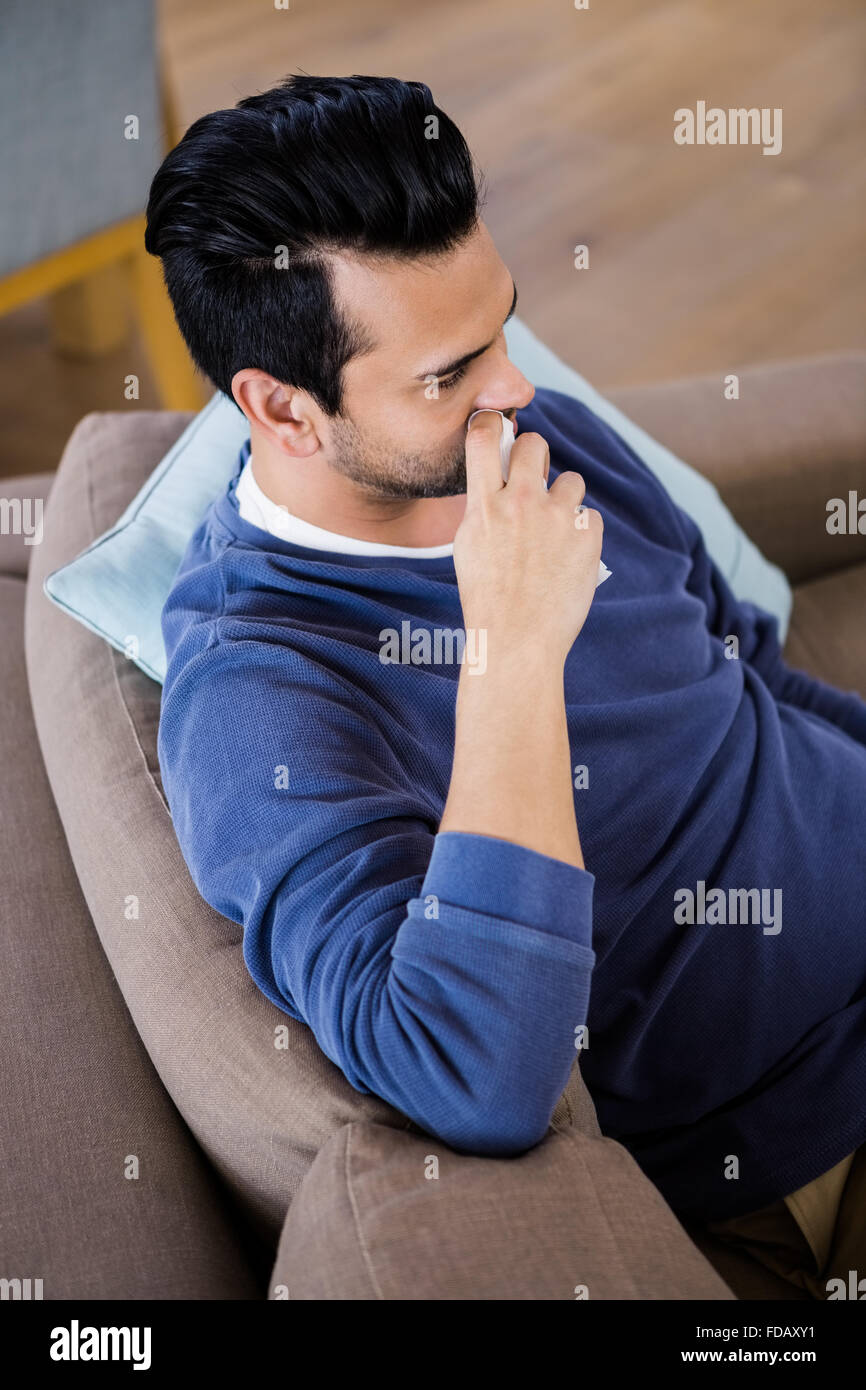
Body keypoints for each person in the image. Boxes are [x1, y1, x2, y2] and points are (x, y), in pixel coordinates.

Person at [147, 75, 866, 1298]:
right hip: (803, 1137)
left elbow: (743, 669)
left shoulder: (536, 433)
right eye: (446, 372)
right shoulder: (258, 696)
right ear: (282, 408)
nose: (516, 391)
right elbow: (471, 1072)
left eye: (504, 328)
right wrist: (512, 647)